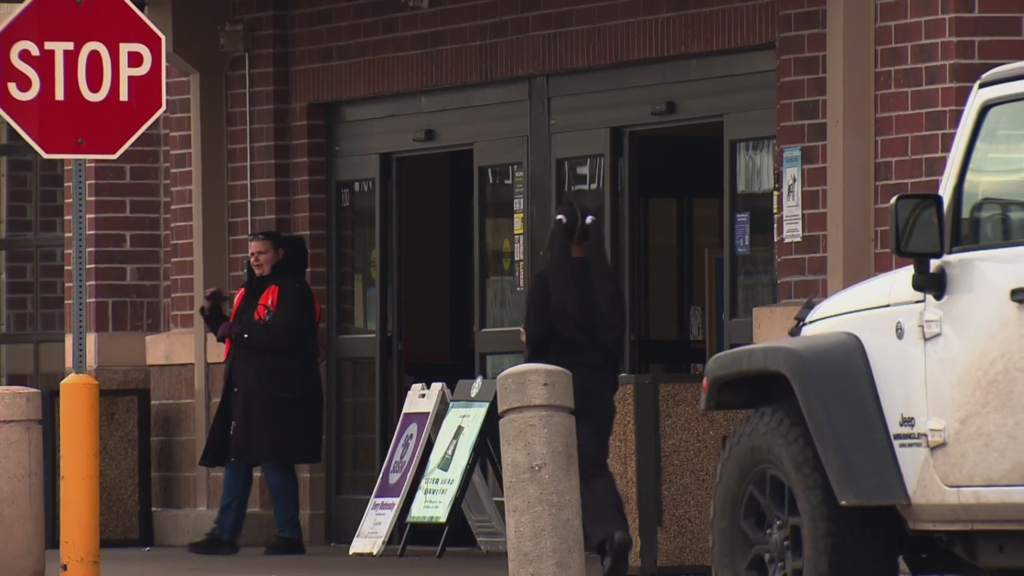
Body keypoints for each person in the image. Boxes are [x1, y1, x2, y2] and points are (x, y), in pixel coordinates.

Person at [187, 231, 324, 557]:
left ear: (279, 253)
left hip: (277, 391)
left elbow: (282, 335)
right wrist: (213, 312)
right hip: (246, 390)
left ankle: (288, 534)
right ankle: (226, 534)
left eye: (262, 253)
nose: (256, 259)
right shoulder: (249, 291)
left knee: (274, 459)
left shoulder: (292, 289)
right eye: (251, 254)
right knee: (239, 459)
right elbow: (232, 335)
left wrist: (239, 329)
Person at [522, 201, 633, 576]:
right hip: (600, 386)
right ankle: (605, 540)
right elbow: (618, 337)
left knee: (576, 469)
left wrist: (529, 342)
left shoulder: (545, 282)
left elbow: (537, 338)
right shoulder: (606, 281)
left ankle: (611, 533)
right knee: (592, 464)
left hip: (559, 389)